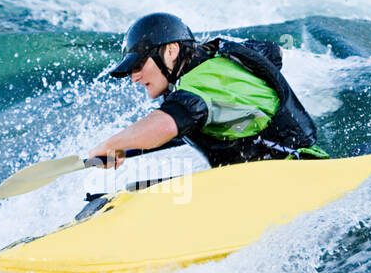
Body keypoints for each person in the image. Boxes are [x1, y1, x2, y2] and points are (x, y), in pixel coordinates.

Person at [88, 13, 329, 169]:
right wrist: (127, 148)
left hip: (294, 173)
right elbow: (271, 52)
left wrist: (112, 144)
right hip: (283, 172)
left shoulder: (205, 81)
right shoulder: (218, 61)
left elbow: (170, 122)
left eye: (139, 64)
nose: (134, 77)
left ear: (171, 51)